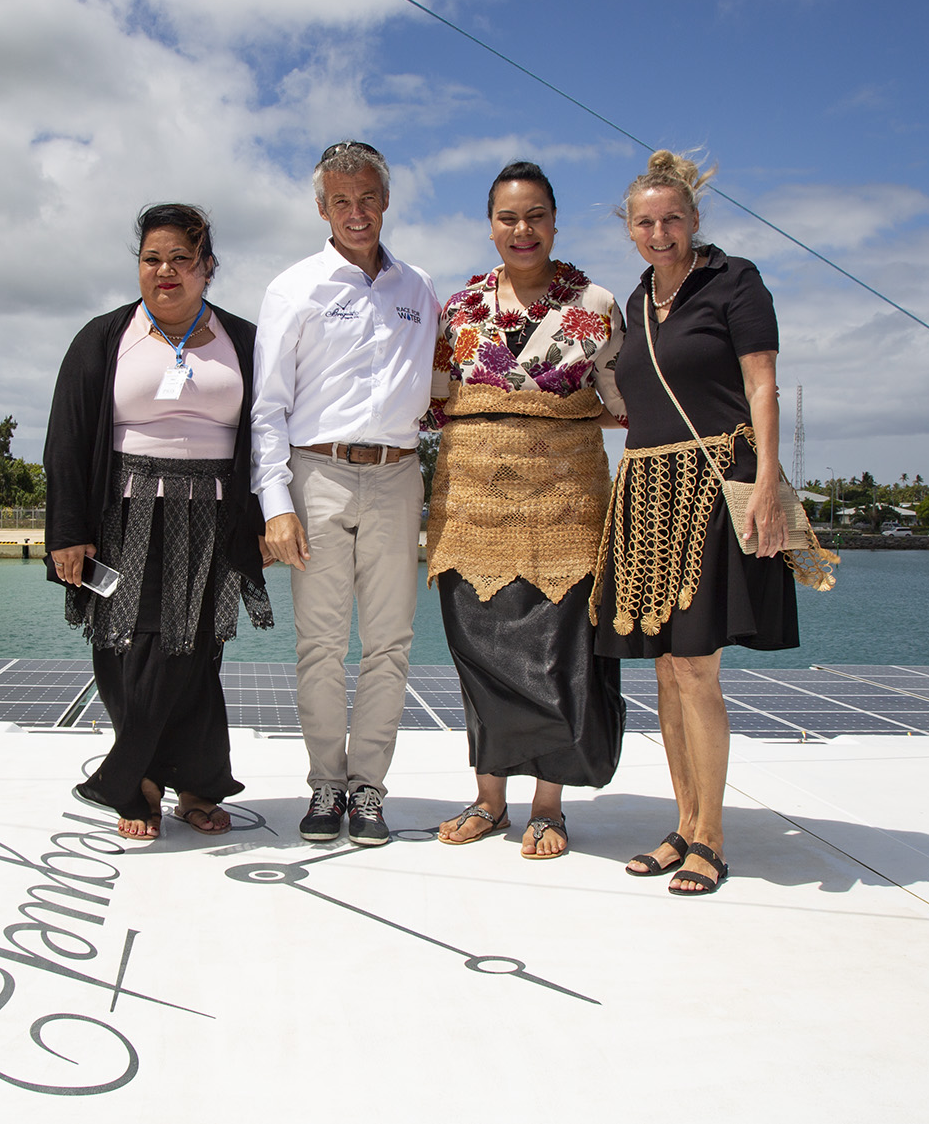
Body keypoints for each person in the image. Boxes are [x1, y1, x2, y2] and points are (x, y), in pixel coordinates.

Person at [591, 151, 835, 894]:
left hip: (712, 485)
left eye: (672, 219)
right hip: (645, 488)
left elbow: (762, 386)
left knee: (697, 667)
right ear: (630, 230)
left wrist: (764, 483)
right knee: (665, 671)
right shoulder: (632, 305)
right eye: (646, 222)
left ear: (695, 220)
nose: (659, 232)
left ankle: (712, 837)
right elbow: (628, 403)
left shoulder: (736, 282)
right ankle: (683, 820)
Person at [45, 202, 273, 841]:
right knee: (125, 644)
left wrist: (270, 515)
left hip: (216, 521)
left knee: (197, 651)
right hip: (120, 518)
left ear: (208, 267)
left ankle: (194, 781)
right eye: (152, 259)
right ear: (138, 266)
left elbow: (270, 433)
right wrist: (66, 532)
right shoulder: (102, 337)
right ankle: (139, 779)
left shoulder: (247, 342)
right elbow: (66, 438)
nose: (165, 271)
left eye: (181, 259)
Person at [427, 162, 628, 859]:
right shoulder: (457, 309)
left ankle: (548, 803)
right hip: (470, 508)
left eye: (535, 215)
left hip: (566, 507)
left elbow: (626, 402)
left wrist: (549, 424)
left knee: (557, 655)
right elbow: (429, 400)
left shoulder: (597, 303)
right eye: (509, 218)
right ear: (490, 226)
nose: (522, 230)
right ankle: (490, 799)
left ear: (554, 221)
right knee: (478, 652)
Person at [251, 141, 439, 846]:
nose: (355, 214)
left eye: (366, 199)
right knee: (321, 645)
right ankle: (326, 782)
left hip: (398, 476)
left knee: (390, 643)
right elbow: (268, 408)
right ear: (321, 208)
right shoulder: (292, 289)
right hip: (317, 474)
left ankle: (369, 790)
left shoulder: (420, 291)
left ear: (385, 200)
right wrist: (275, 503)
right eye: (340, 202)